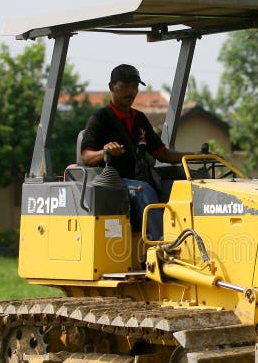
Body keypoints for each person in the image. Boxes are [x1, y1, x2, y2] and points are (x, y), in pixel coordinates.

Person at [80, 64, 191, 240]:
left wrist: (196, 157)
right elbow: (86, 156)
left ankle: (188, 243)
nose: (131, 91)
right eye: (125, 86)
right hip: (113, 181)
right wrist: (105, 152)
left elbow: (162, 154)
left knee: (183, 189)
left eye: (134, 86)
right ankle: (158, 248)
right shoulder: (100, 118)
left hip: (142, 177)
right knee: (143, 190)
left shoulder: (139, 119)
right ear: (111, 87)